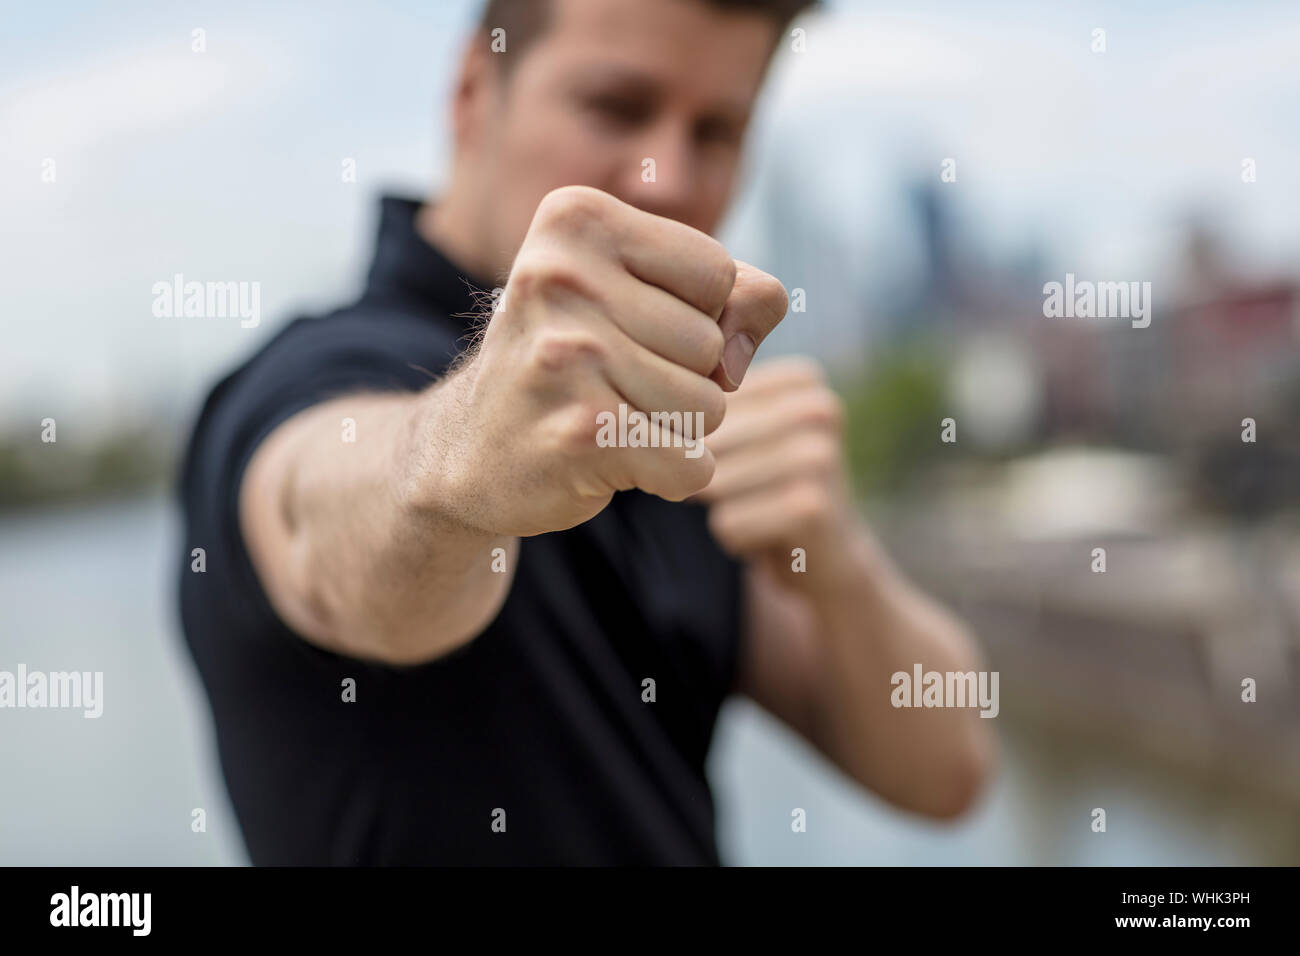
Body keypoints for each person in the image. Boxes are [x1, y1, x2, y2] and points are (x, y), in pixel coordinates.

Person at [178, 0, 997, 865]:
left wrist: (836, 558)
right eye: (617, 106)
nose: (669, 177)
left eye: (716, 131)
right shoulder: (309, 378)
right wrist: (458, 463)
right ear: (471, 93)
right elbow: (320, 527)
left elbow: (949, 775)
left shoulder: (679, 427)